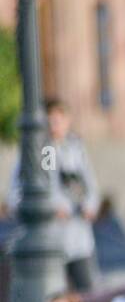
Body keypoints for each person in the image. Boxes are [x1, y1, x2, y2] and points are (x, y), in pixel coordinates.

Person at [7, 98, 100, 290]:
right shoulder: (42, 152)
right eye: (50, 121)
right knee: (52, 297)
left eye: (59, 120)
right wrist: (50, 209)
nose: (54, 126)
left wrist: (90, 206)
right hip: (49, 242)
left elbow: (90, 186)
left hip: (79, 240)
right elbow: (19, 194)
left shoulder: (76, 149)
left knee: (88, 294)